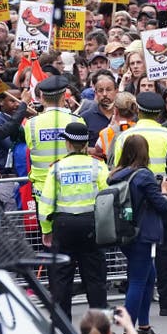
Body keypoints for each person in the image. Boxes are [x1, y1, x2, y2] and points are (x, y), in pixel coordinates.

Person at [38, 120, 109, 316]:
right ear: (86, 144)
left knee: (61, 279)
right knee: (95, 279)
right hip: (91, 225)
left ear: (68, 143)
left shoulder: (57, 168)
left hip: (64, 226)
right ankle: (100, 326)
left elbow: (46, 203)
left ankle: (62, 327)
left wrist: (46, 229)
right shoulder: (98, 166)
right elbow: (108, 197)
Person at [108, 134, 167, 334]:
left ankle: (144, 327)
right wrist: (164, 191)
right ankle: (129, 333)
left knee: (148, 275)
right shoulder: (144, 175)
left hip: (125, 232)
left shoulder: (116, 175)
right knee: (137, 281)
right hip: (142, 234)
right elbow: (162, 205)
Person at [24, 74, 86, 191]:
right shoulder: (77, 120)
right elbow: (83, 151)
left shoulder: (31, 124)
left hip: (42, 187)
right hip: (70, 185)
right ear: (63, 97)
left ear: (42, 98)